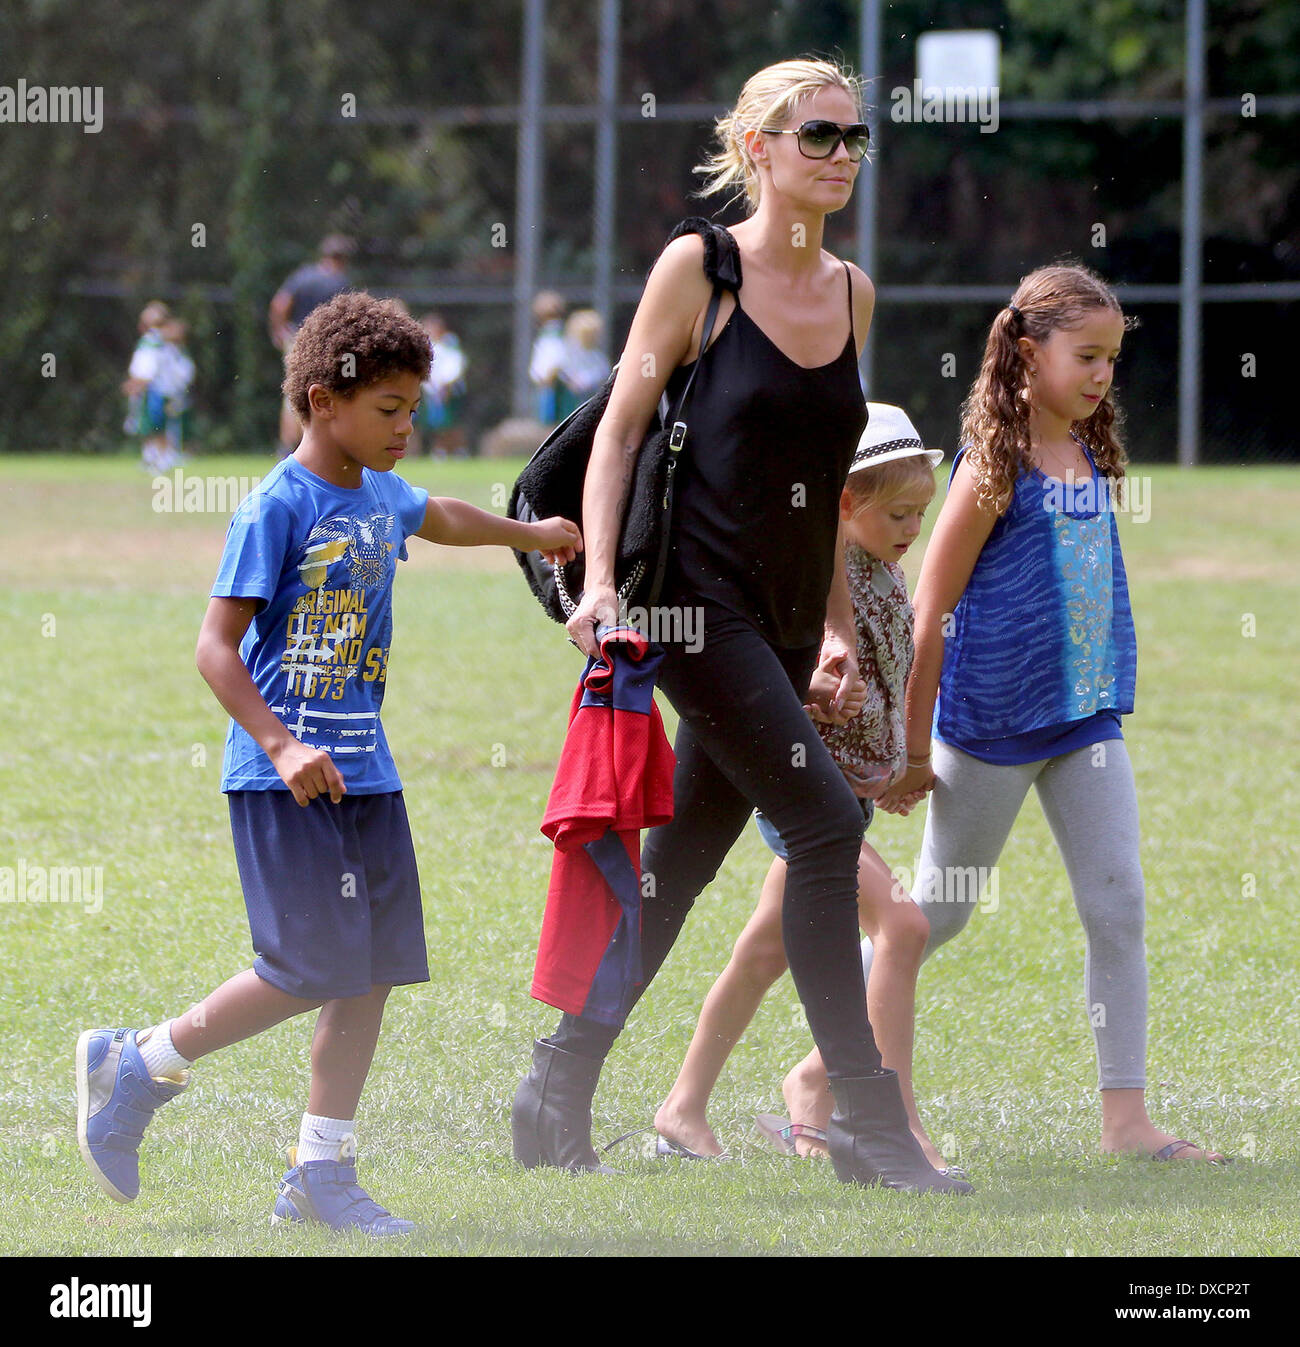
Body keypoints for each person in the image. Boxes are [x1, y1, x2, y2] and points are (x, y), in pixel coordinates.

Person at [511, 57, 970, 1194]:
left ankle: (554, 1086)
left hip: (772, 618)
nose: (840, 157)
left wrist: (826, 631)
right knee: (822, 828)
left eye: (855, 139)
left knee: (674, 870)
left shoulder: (852, 292)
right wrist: (603, 587)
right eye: (817, 135)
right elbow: (617, 435)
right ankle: (866, 1127)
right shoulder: (699, 271)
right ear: (757, 146)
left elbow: (817, 480)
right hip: (686, 606)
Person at [75, 291, 581, 1235]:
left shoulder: (383, 493)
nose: (407, 427)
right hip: (282, 778)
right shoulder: (278, 503)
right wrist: (280, 740)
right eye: (389, 410)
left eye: (412, 408)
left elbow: (447, 517)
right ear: (321, 401)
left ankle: (319, 1172)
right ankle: (139, 1062)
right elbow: (214, 648)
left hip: (367, 776)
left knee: (371, 970)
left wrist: (533, 535)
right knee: (306, 965)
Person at [875, 263, 1227, 1164]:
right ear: (1027, 353)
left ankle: (1126, 1118)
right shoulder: (991, 468)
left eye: (1114, 356)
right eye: (1087, 354)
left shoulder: (1090, 450)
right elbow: (930, 608)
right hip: (989, 727)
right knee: (936, 916)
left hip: (1087, 723)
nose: (1104, 373)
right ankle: (830, 1075)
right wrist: (913, 749)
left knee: (1119, 905)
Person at [652, 406, 951, 1166]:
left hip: (847, 791)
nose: (912, 526)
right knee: (905, 926)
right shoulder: (821, 574)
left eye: (920, 511)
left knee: (762, 951)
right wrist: (819, 681)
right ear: (843, 503)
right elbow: (788, 668)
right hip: (802, 794)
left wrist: (890, 771)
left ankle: (681, 1107)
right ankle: (894, 1125)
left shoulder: (883, 565)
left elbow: (887, 675)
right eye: (896, 512)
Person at [268, 234, 355, 456]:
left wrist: (280, 331)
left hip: (296, 340)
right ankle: (321, 445)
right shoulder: (339, 282)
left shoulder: (303, 276)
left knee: (292, 394)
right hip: (326, 344)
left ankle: (287, 446)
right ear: (344, 259)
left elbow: (279, 304)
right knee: (325, 393)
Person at [122, 300, 171, 467]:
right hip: (148, 386)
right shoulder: (151, 340)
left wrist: (137, 383)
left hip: (153, 388)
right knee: (145, 424)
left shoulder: (156, 341)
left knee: (156, 423)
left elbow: (149, 368)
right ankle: (150, 456)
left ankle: (163, 457)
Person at [414, 312, 468, 456]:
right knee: (437, 422)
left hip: (450, 390)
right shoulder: (427, 346)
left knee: (452, 421)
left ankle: (458, 449)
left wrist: (447, 383)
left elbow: (455, 366)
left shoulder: (450, 344)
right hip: (433, 390)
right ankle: (439, 449)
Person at [555, 308, 609, 422]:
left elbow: (603, 371)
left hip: (591, 395)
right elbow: (562, 369)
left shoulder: (596, 355)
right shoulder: (569, 351)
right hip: (570, 396)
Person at [528, 291, 567, 424]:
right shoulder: (549, 333)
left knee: (551, 424)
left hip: (552, 386)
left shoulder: (554, 334)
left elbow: (556, 359)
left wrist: (548, 378)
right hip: (547, 384)